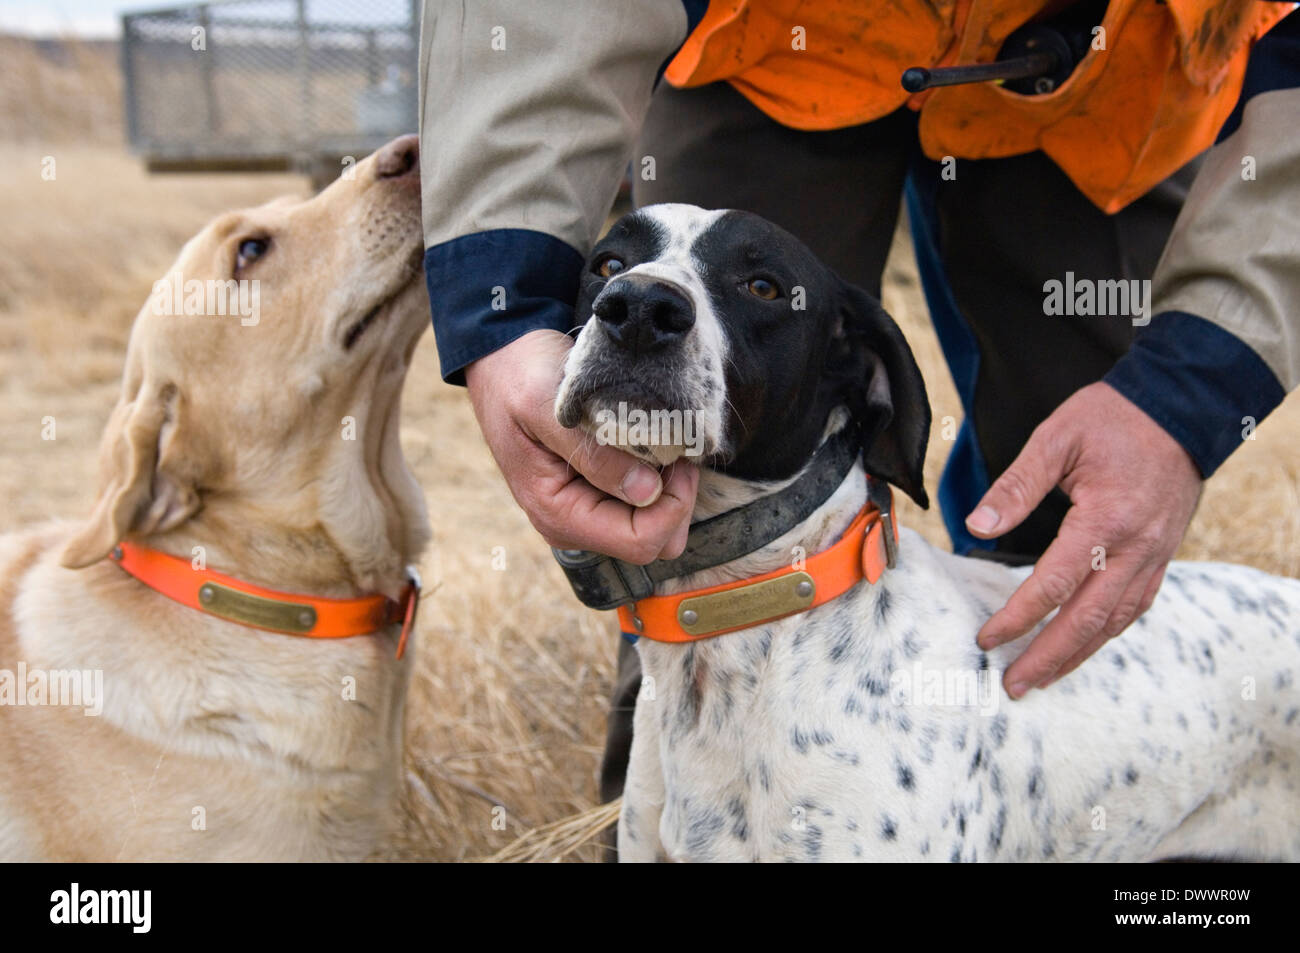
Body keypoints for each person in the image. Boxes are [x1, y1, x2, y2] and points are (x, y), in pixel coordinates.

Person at [416, 1, 1300, 805]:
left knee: (1074, 528)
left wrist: (1187, 394)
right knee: (681, 519)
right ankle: (652, 821)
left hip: (1100, 74)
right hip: (776, 40)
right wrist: (502, 299)